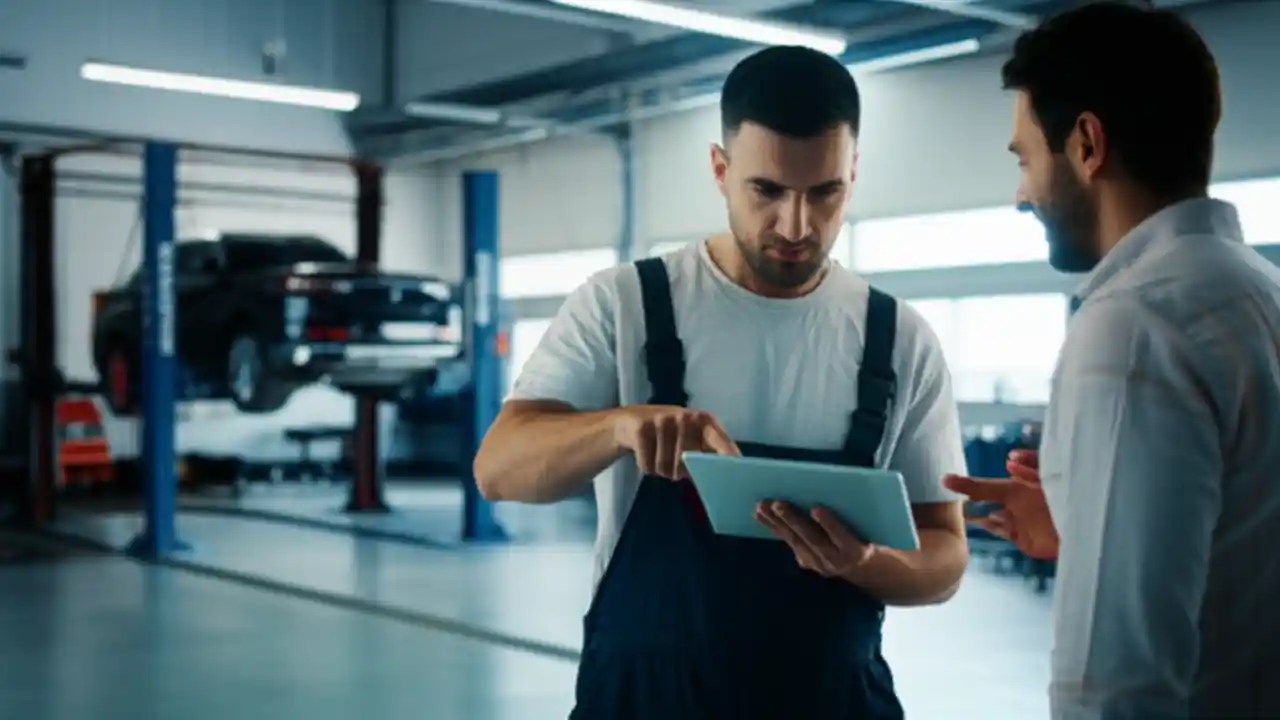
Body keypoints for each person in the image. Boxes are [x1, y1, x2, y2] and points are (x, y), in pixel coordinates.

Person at [474, 45, 970, 719]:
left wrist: (863, 560)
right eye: (766, 191)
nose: (796, 226)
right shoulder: (625, 305)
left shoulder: (899, 339)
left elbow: (945, 555)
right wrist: (618, 425)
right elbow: (499, 470)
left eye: (824, 193)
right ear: (720, 169)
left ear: (853, 174)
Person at [944, 2, 1280, 717]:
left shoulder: (1133, 325)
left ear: (1087, 144)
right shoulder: (1257, 292)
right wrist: (1084, 524)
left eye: (1025, 158)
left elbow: (1116, 681)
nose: (1020, 195)